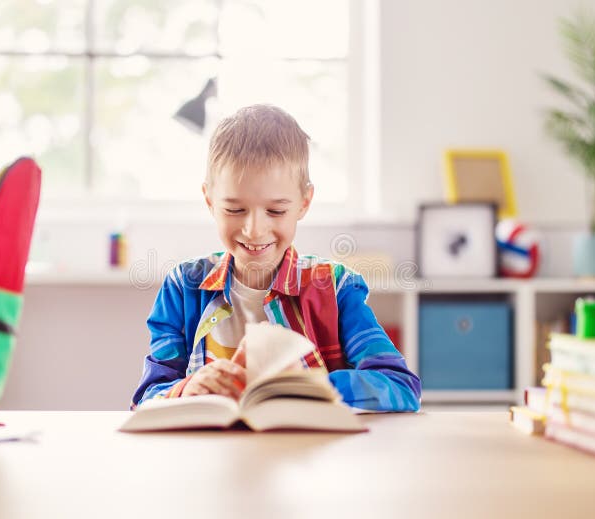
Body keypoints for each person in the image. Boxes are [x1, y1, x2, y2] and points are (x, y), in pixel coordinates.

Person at [131, 104, 421, 411]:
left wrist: (312, 386)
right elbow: (146, 398)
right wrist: (186, 390)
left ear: (304, 203)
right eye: (234, 209)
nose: (254, 230)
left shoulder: (337, 288)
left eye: (276, 211)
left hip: (311, 456)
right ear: (209, 200)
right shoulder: (183, 288)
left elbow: (401, 388)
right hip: (209, 454)